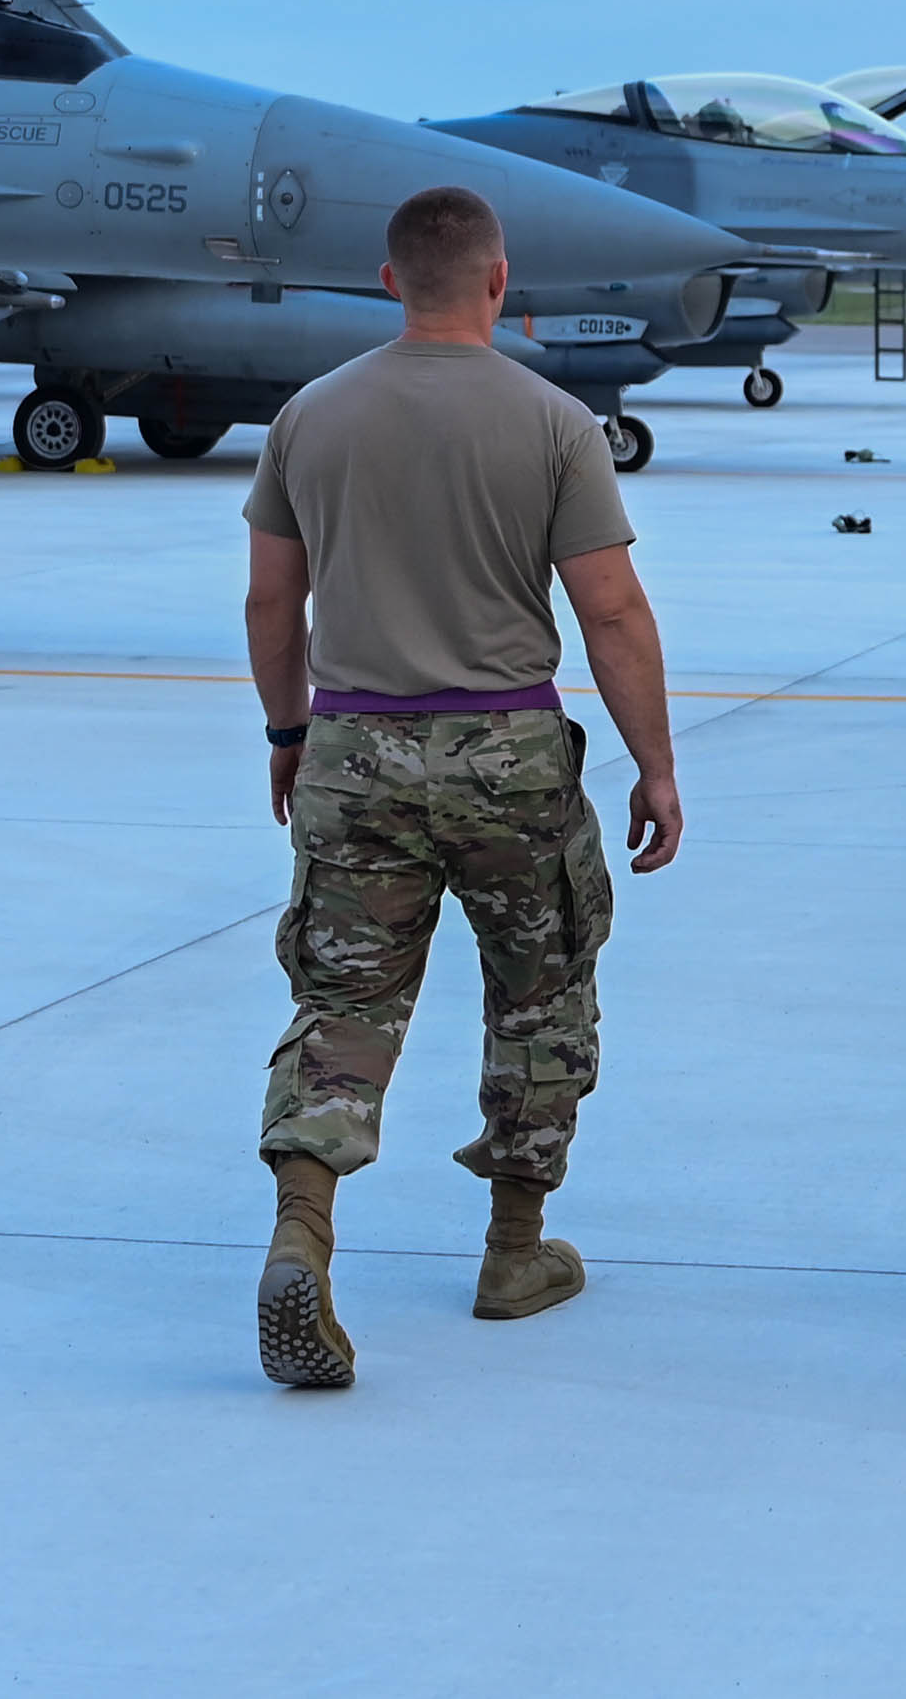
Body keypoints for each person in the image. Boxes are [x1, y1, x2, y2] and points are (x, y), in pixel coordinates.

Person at [243, 183, 686, 1390]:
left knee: (342, 998)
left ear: (389, 281)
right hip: (507, 754)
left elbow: (271, 601)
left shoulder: (310, 415)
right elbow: (609, 607)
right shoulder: (551, 420)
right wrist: (653, 760)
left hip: (351, 744)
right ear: (498, 279)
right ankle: (513, 1247)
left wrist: (287, 726)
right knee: (539, 992)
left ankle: (302, 1233)